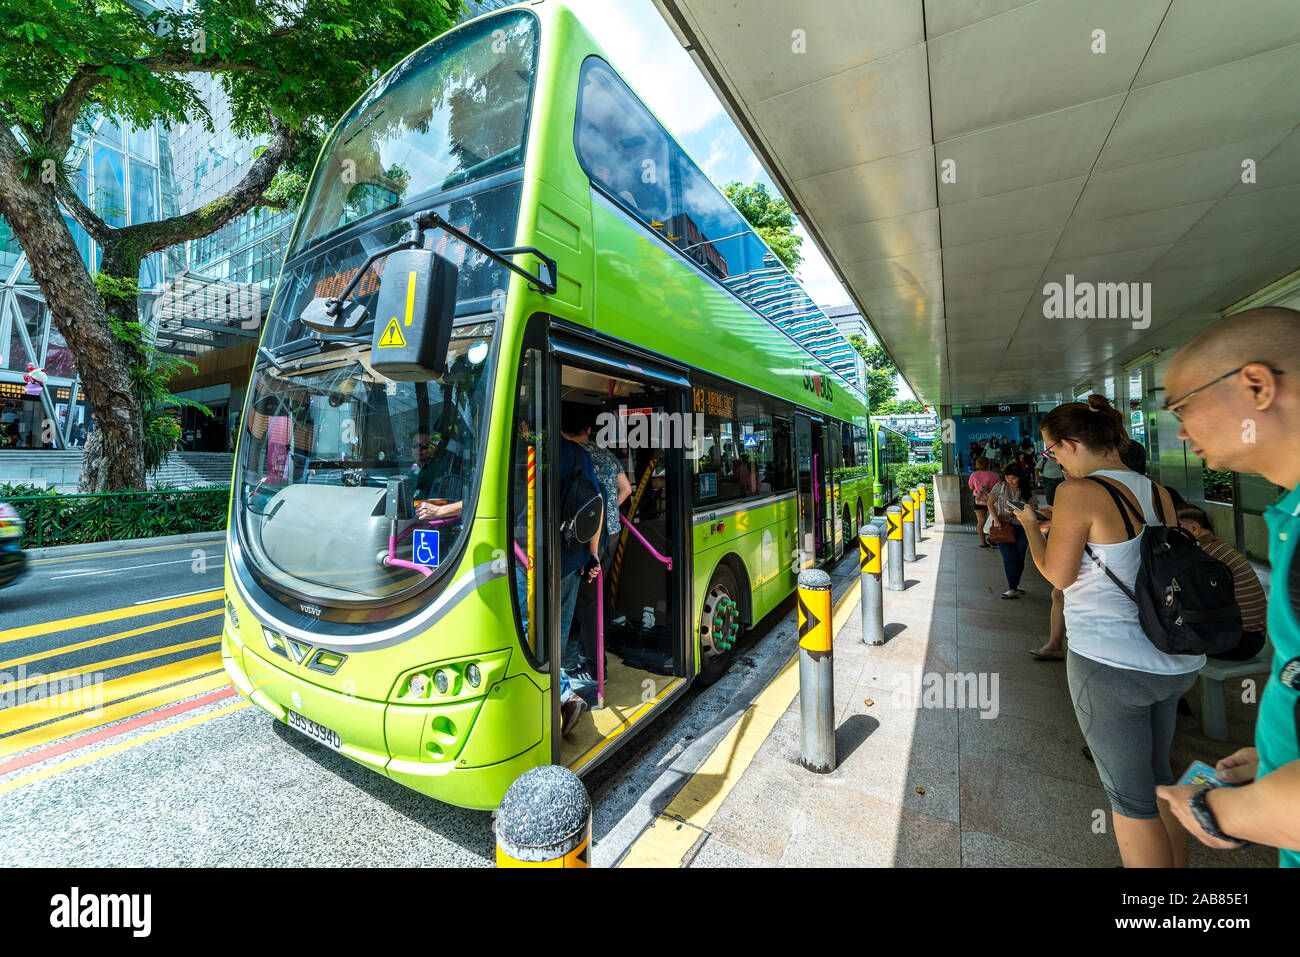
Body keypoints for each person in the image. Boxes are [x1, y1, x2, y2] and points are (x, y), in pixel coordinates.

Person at [1018, 393, 1203, 867]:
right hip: (1173, 656)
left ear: (1072, 443)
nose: (1053, 459)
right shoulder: (1156, 490)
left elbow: (1058, 576)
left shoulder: (1076, 492)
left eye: (1052, 449)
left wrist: (1031, 530)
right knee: (1160, 778)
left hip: (1111, 664)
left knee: (1131, 802)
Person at [1154, 308, 1300, 866]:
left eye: (1181, 407)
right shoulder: (1289, 512)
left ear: (1257, 386)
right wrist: (1273, 765)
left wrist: (1217, 812)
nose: (1180, 430)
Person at [513, 421, 603, 734]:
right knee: (559, 631)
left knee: (529, 627)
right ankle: (561, 692)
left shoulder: (522, 454)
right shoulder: (580, 455)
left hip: (529, 557)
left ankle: (557, 695)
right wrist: (593, 555)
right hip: (572, 557)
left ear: (525, 424)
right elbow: (597, 504)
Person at [563, 403, 632, 682]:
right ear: (589, 429)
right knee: (596, 595)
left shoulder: (571, 456)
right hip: (611, 533)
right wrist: (610, 512)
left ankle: (594, 667)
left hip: (584, 539)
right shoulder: (605, 454)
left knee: (585, 601)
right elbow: (626, 488)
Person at [1176, 504, 1267, 661]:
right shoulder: (1218, 547)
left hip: (1239, 642)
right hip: (1254, 637)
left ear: (1195, 528)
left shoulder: (1204, 556)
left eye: (1175, 529)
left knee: (1166, 640)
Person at [986, 462, 1038, 598]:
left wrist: (1019, 507)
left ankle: (1015, 584)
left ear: (1020, 477)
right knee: (1008, 557)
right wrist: (996, 520)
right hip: (1002, 526)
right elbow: (990, 502)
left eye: (1013, 478)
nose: (1010, 481)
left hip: (1022, 526)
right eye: (1007, 477)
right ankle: (1012, 588)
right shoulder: (1000, 486)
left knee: (1020, 557)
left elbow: (1034, 507)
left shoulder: (1027, 489)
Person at [968, 456, 1000, 548]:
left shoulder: (974, 475)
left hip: (978, 500)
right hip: (992, 500)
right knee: (993, 520)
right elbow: (999, 488)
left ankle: (983, 542)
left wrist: (979, 488)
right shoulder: (994, 475)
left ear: (977, 464)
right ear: (988, 464)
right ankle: (992, 538)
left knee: (981, 520)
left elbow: (971, 487)